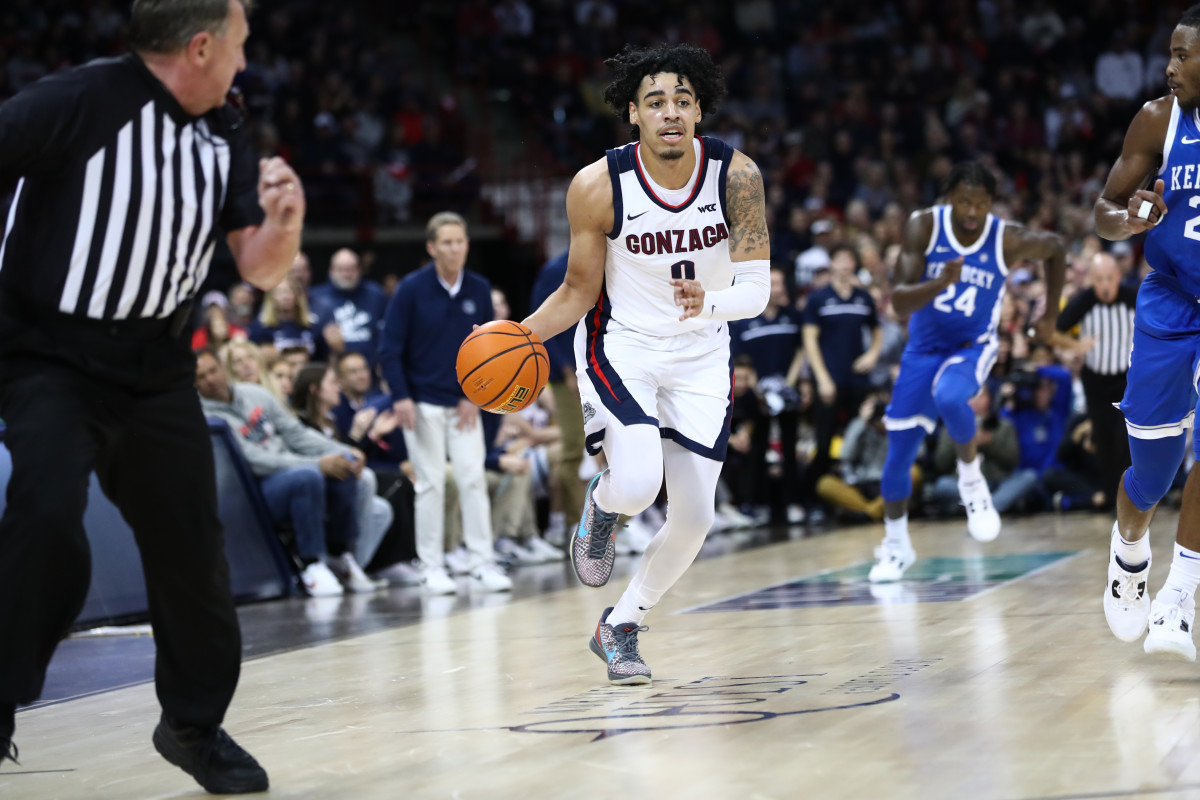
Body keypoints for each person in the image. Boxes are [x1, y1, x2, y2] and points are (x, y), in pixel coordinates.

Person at [0, 0, 304, 792]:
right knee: (44, 515)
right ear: (201, 47)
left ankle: (193, 725)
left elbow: (260, 268)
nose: (245, 60)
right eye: (239, 44)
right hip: (49, 355)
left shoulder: (228, 129)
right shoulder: (79, 101)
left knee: (192, 553)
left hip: (159, 365)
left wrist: (286, 223)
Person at [522, 43, 770, 685]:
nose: (670, 113)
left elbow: (758, 290)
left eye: (683, 102)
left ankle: (620, 625)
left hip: (703, 353)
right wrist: (519, 336)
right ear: (632, 113)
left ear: (699, 111)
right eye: (655, 102)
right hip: (622, 344)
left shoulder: (737, 176)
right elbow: (578, 291)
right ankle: (602, 511)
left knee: (695, 519)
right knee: (635, 482)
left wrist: (709, 301)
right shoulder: (597, 186)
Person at [870, 162, 1065, 583]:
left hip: (972, 345)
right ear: (948, 200)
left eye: (980, 203)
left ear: (991, 203)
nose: (972, 211)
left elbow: (1055, 247)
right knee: (898, 455)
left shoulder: (1006, 237)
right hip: (922, 349)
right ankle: (896, 545)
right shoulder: (924, 226)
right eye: (963, 202)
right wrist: (938, 283)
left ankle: (972, 481)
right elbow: (899, 305)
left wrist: (1049, 316)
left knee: (950, 397)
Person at [1094, 3, 1200, 661]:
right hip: (1168, 306)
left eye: (1185, 55)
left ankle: (1180, 597)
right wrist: (1128, 219)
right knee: (1151, 474)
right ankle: (1130, 551)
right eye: (1172, 52)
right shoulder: (1158, 120)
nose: (1170, 65)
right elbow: (1102, 213)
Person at [378, 211, 512, 595]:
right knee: (431, 484)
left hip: (464, 405)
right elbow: (389, 349)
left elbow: (492, 349)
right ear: (432, 247)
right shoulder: (410, 289)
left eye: (461, 241)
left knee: (473, 479)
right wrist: (400, 397)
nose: (456, 248)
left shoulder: (480, 288)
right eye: (448, 242)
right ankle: (432, 566)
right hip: (421, 404)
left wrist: (477, 395)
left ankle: (482, 562)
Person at [196, 350, 373, 596]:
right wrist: (317, 464)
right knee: (307, 477)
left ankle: (339, 554)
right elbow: (255, 461)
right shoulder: (205, 417)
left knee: (344, 464)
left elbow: (295, 433)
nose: (210, 380)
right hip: (253, 490)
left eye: (212, 371)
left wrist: (343, 450)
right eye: (201, 377)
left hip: (289, 469)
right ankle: (312, 564)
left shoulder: (255, 394)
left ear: (222, 369)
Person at [802, 244, 883, 523]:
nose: (845, 266)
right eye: (840, 260)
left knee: (860, 438)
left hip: (857, 381)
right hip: (830, 380)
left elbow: (877, 330)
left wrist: (872, 354)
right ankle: (813, 501)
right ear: (832, 265)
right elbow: (810, 340)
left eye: (849, 260)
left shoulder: (863, 297)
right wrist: (822, 378)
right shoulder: (819, 299)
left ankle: (856, 499)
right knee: (824, 443)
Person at [1054, 251, 1136, 510]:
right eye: (1098, 279)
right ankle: (1112, 498)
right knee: (1104, 439)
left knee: (1126, 438)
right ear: (1091, 280)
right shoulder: (1084, 301)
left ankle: (1131, 497)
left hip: (1126, 379)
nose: (1104, 285)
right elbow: (1053, 330)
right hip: (1096, 381)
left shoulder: (1133, 298)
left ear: (1117, 277)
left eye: (1109, 278)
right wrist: (1074, 344)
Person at [731, 265, 806, 523]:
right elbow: (742, 361)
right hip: (758, 397)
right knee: (757, 450)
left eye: (781, 283)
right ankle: (756, 504)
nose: (778, 289)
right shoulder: (745, 321)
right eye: (773, 283)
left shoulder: (793, 317)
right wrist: (758, 391)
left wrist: (790, 384)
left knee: (789, 448)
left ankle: (792, 502)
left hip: (787, 394)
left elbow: (800, 352)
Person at [310, 247, 389, 368]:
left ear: (359, 270)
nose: (347, 274)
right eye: (341, 269)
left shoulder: (375, 294)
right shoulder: (316, 297)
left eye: (351, 269)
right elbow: (309, 339)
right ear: (331, 271)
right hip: (331, 369)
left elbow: (387, 332)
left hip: (371, 369)